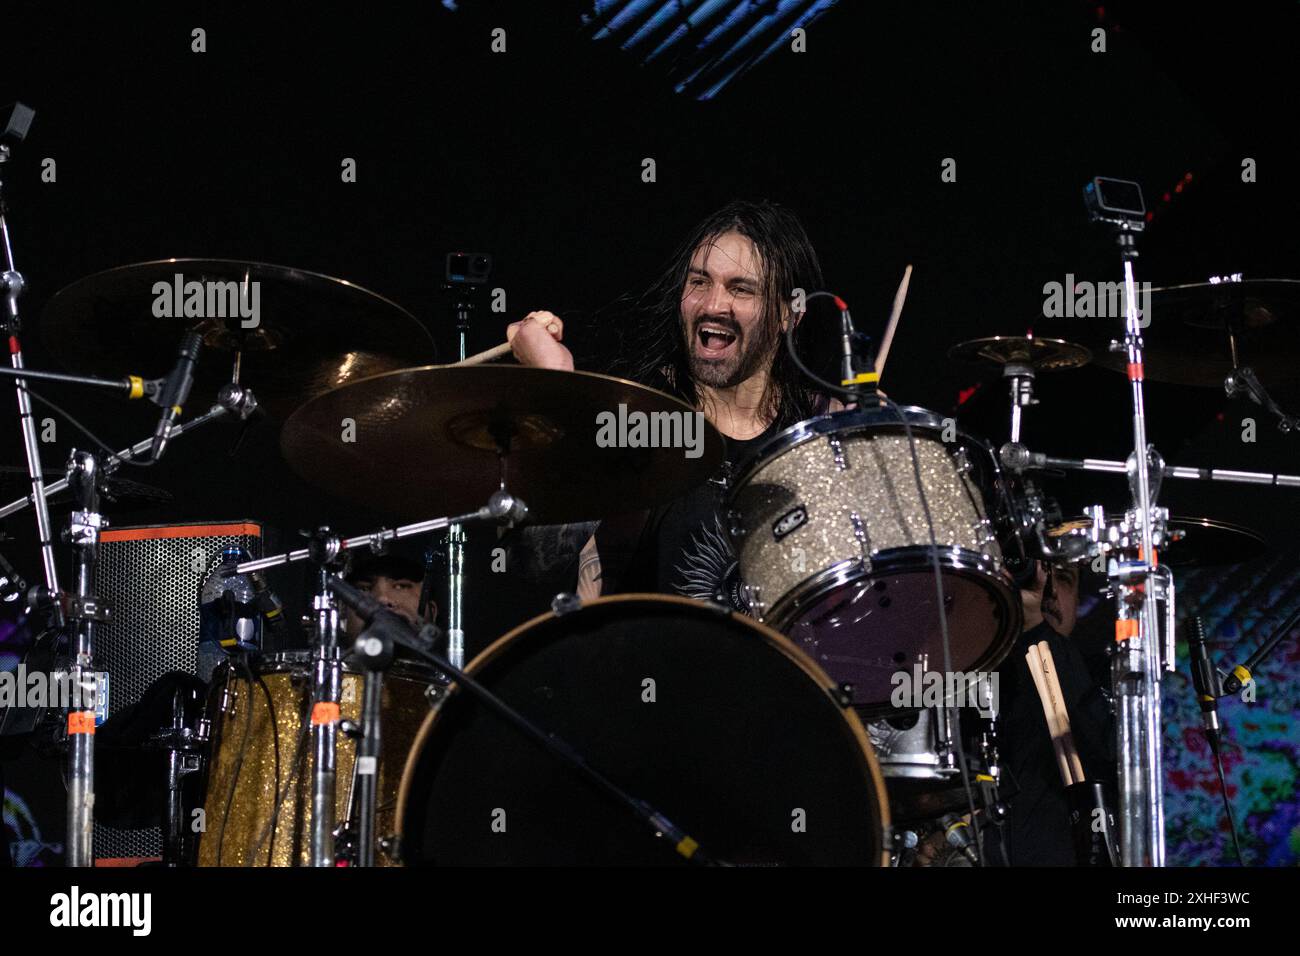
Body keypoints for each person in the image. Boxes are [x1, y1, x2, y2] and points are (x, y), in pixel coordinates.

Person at [506, 199, 844, 606]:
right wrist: (554, 387)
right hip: (647, 664)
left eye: (741, 289)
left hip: (780, 667)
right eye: (699, 282)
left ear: (790, 314)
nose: (712, 305)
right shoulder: (637, 418)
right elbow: (537, 561)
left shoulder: (819, 430)